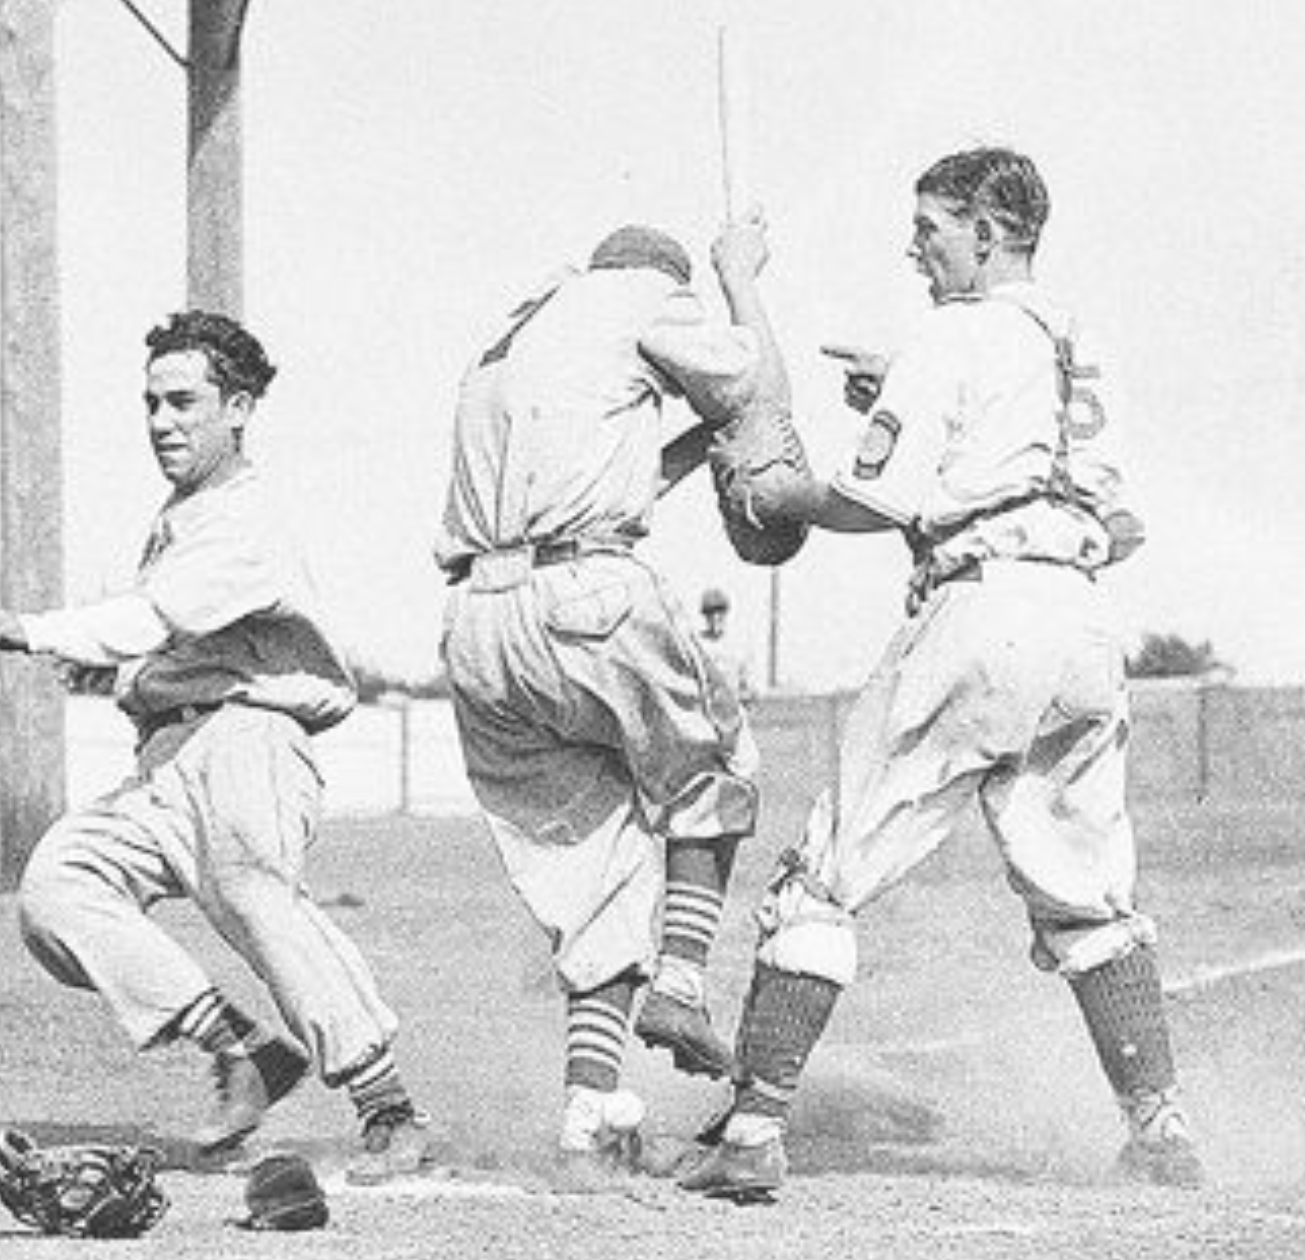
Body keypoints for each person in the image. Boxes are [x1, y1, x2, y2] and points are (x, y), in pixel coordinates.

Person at [677, 147, 1201, 1200]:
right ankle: (1159, 1130)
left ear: (987, 230)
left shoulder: (951, 331)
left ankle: (748, 1134)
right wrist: (915, 412)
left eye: (930, 229)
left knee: (822, 875)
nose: (914, 250)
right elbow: (1115, 520)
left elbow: (867, 502)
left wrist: (779, 494)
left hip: (979, 610)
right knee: (1087, 895)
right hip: (1081, 624)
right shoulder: (1077, 342)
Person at [0, 311, 436, 1185]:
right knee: (58, 888)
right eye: (152, 404)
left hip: (248, 738)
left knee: (257, 902)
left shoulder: (246, 517)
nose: (162, 422)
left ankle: (388, 1106)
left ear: (239, 408)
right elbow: (144, 636)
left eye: (184, 402)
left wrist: (31, 629)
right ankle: (243, 1049)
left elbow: (145, 620)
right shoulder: (185, 514)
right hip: (168, 758)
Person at [434, 220, 783, 1189]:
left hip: (476, 620)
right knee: (714, 773)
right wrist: (737, 278)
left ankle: (586, 1119)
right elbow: (743, 377)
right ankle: (676, 979)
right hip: (581, 593)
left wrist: (686, 448)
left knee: (589, 876)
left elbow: (594, 471)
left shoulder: (519, 327)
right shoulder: (642, 294)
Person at [694, 588, 757, 702]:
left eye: (719, 612)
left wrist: (736, 696)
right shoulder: (697, 644)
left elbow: (750, 688)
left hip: (732, 711)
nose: (715, 618)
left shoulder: (739, 646)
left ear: (725, 613)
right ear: (705, 616)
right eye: (710, 613)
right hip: (704, 710)